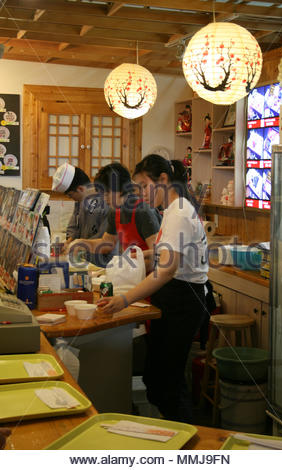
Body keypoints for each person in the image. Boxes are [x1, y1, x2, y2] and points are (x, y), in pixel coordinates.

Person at [98, 154, 209, 423]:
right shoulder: (171, 210)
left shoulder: (179, 213)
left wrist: (124, 300)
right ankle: (171, 434)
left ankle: (186, 444)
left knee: (167, 383)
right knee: (157, 379)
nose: (141, 193)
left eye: (144, 185)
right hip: (172, 297)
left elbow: (167, 269)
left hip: (183, 300)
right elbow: (162, 255)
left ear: (162, 180)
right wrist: (135, 257)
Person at [67, 162, 160, 258]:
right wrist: (81, 243)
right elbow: (107, 244)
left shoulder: (143, 211)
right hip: (133, 267)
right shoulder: (114, 211)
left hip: (148, 270)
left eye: (107, 193)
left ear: (121, 189)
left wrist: (129, 259)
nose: (104, 198)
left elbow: (157, 253)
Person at [52, 163, 115, 265]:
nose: (73, 199)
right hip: (84, 259)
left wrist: (79, 244)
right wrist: (69, 242)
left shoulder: (107, 201)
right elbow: (73, 227)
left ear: (80, 189)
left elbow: (106, 242)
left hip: (103, 263)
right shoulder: (80, 202)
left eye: (71, 195)